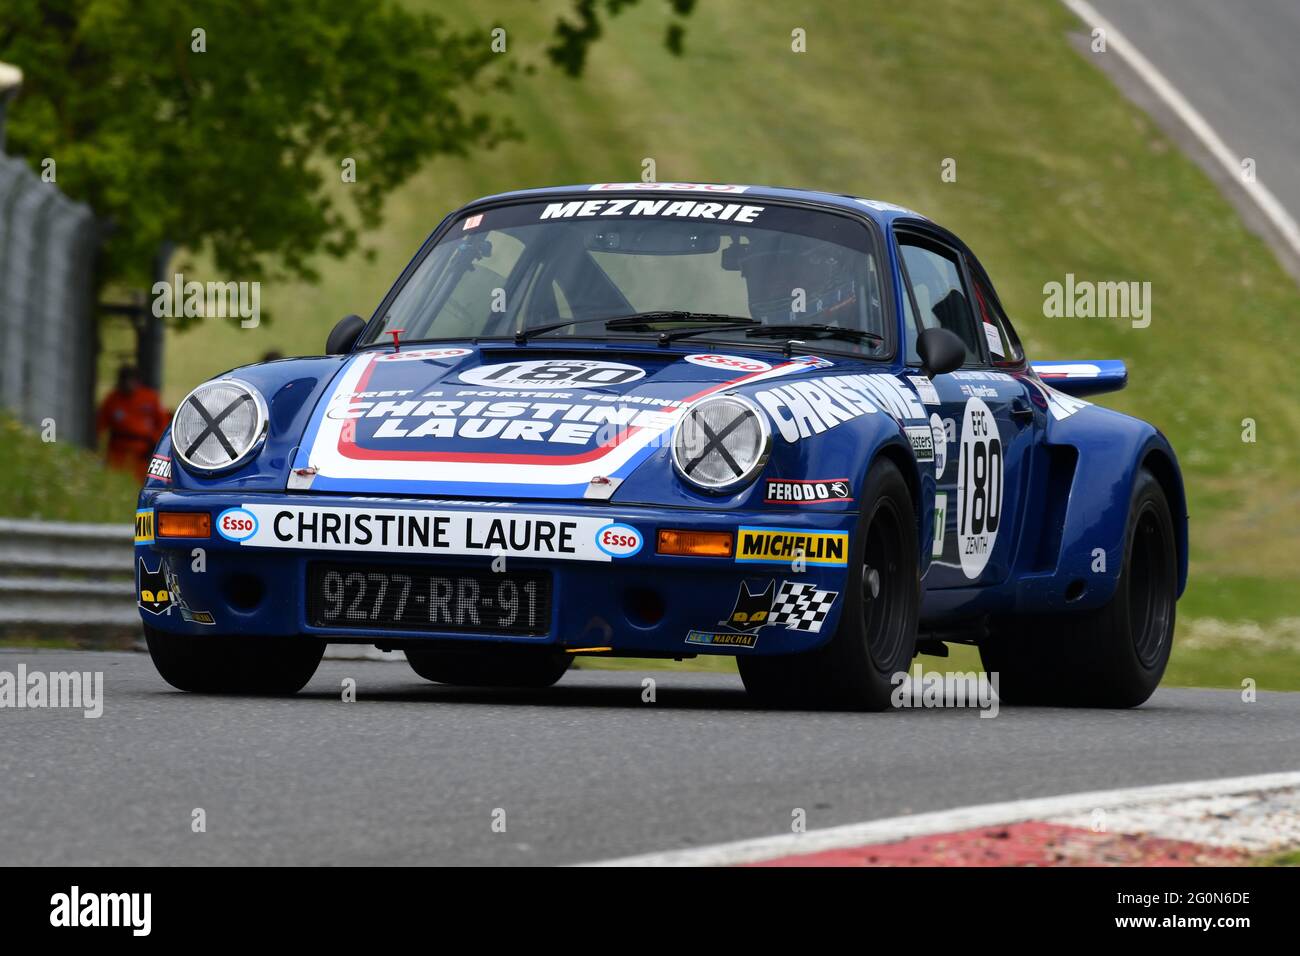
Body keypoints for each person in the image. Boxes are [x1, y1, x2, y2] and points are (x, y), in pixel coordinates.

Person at [96, 364, 171, 482]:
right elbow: (99, 427)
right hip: (118, 453)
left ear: (137, 381)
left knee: (142, 483)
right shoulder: (112, 399)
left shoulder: (150, 397)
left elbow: (162, 424)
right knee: (116, 482)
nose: (127, 384)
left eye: (130, 380)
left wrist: (156, 446)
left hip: (143, 453)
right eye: (124, 380)